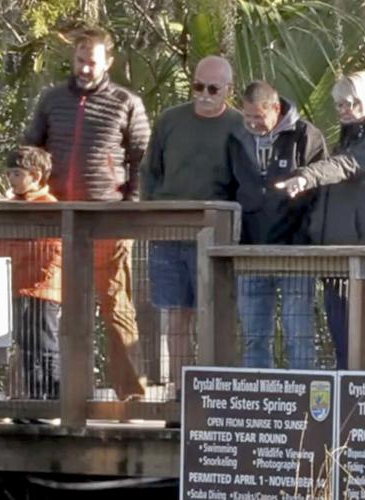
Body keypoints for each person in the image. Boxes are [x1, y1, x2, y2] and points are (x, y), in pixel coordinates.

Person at [22, 27, 146, 400]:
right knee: (52, 306)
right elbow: (30, 150)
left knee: (115, 305)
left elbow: (143, 157)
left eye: (92, 62)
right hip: (55, 220)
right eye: (80, 61)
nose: (85, 69)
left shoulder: (127, 102)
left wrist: (130, 206)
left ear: (108, 61)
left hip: (107, 218)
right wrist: (30, 195)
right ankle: (59, 395)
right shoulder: (51, 99)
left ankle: (132, 396)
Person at [276, 71, 365, 369]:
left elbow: (348, 166)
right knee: (346, 346)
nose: (343, 111)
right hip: (339, 259)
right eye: (339, 105)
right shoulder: (351, 137)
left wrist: (306, 177)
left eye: (350, 104)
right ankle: (353, 411)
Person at [142, 55, 243, 388]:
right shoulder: (170, 120)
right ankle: (180, 390)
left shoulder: (239, 125)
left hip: (214, 237)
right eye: (198, 86)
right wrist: (151, 213)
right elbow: (151, 172)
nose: (204, 94)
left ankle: (212, 389)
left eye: (213, 88)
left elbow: (245, 182)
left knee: (212, 317)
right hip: (168, 234)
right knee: (174, 316)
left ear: (228, 90)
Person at [226, 81, 327, 369]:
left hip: (295, 252)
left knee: (299, 334)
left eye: (258, 117)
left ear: (276, 109)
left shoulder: (306, 136)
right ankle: (260, 395)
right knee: (254, 336)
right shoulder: (235, 136)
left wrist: (308, 236)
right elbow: (230, 186)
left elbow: (320, 191)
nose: (252, 124)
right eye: (247, 117)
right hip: (250, 250)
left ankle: (304, 396)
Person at [0, 146, 63, 409]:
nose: (12, 179)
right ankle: (34, 404)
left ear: (36, 175)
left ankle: (54, 402)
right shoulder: (11, 206)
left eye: (17, 174)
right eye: (10, 173)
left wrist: (38, 279)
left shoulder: (50, 207)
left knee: (45, 346)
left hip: (42, 289)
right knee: (27, 348)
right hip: (17, 286)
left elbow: (53, 252)